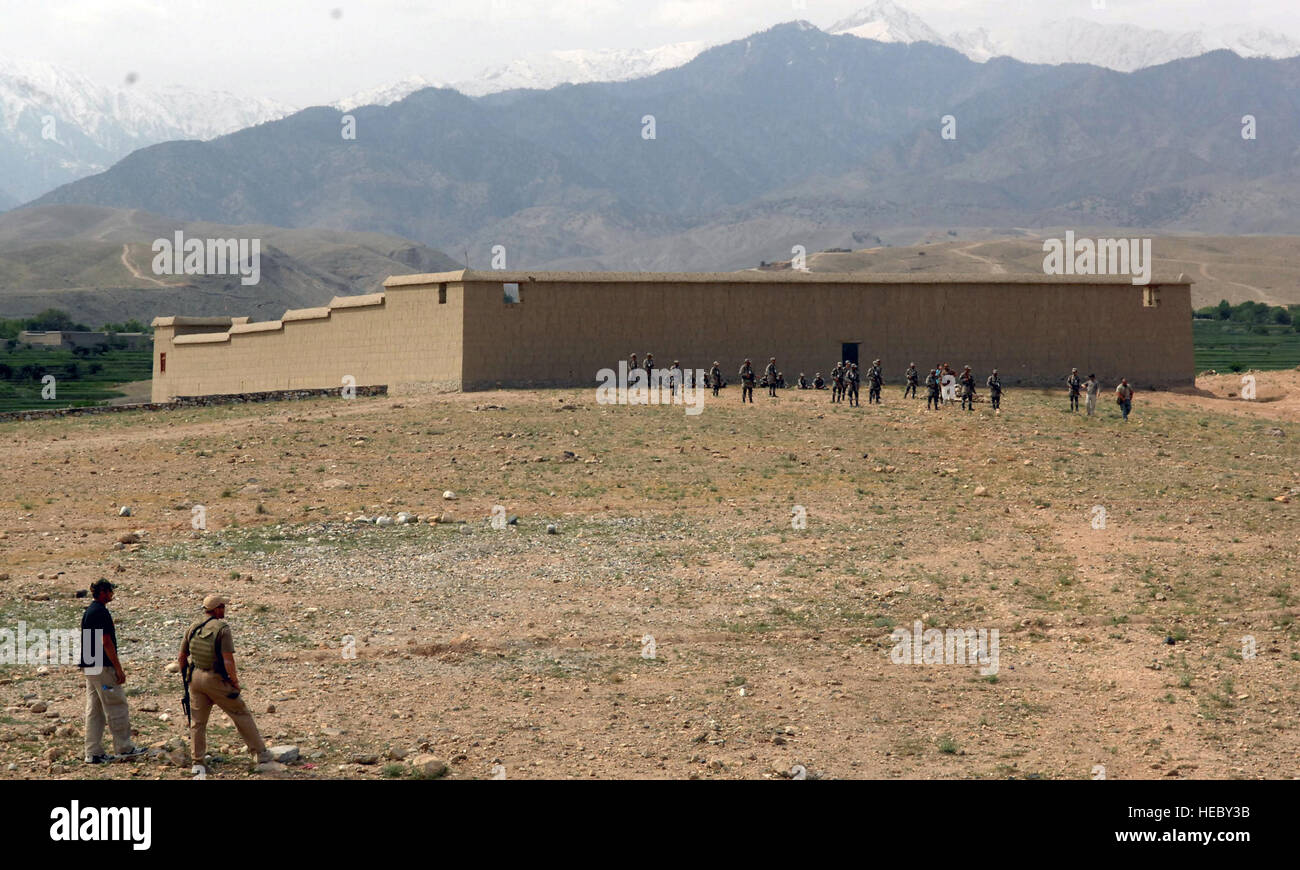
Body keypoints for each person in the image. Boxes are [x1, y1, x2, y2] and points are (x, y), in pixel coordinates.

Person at [179, 594, 273, 768]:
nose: (225, 609)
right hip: (214, 679)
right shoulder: (222, 629)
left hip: (195, 678)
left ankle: (197, 761)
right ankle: (260, 754)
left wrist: (187, 680)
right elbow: (228, 660)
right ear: (216, 609)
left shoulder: (193, 627)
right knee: (240, 713)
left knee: (197, 722)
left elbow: (182, 657)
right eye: (223, 606)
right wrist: (234, 682)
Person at [80, 579, 145, 764]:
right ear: (102, 592)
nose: (111, 594)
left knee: (95, 709)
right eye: (109, 591)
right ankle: (124, 748)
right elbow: (106, 642)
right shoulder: (101, 612)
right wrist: (118, 668)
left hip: (91, 667)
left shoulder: (89, 611)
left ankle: (93, 753)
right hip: (103, 668)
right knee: (116, 704)